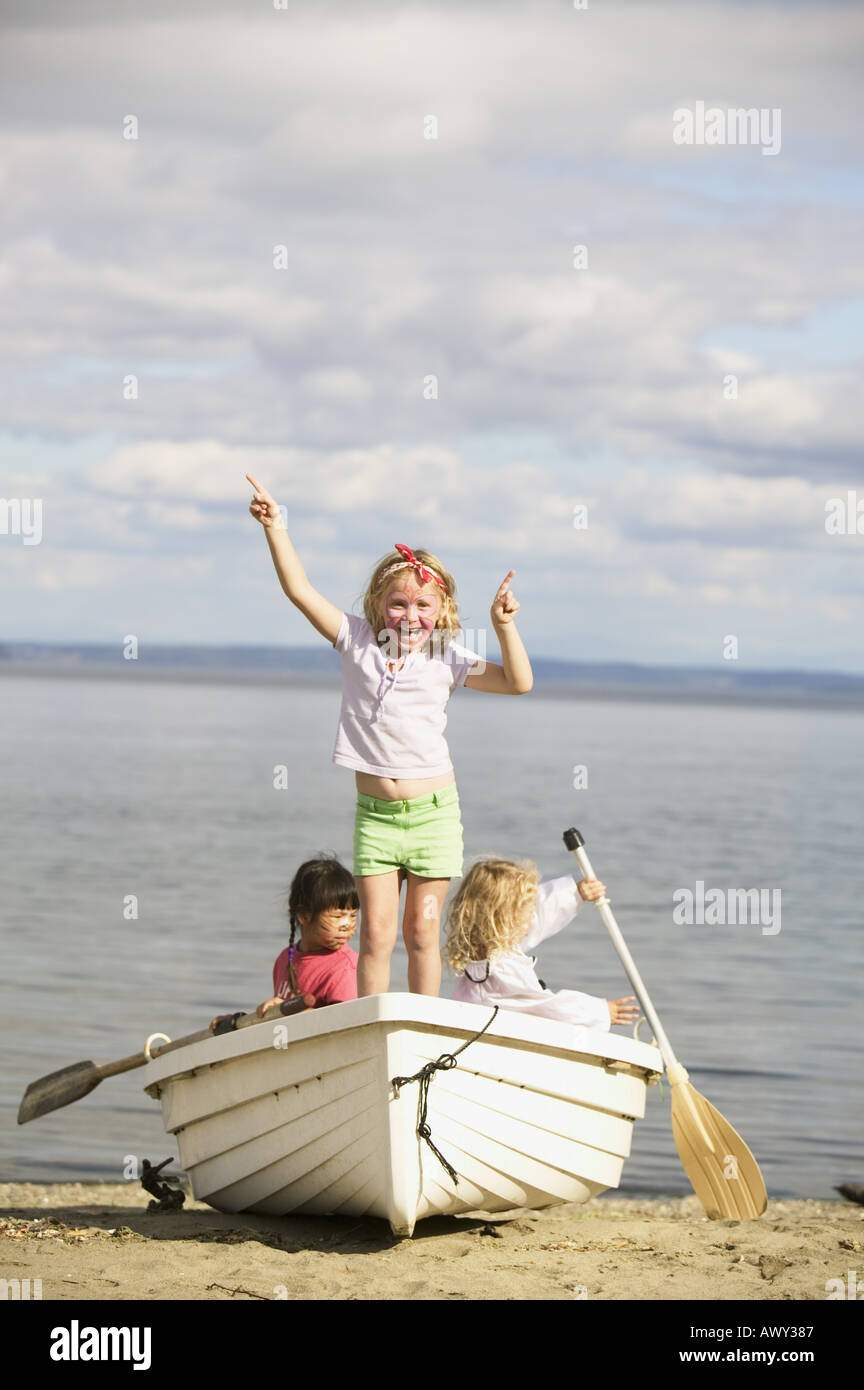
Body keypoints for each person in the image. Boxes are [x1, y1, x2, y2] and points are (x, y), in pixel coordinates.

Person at [246, 473, 533, 999]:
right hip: (376, 820)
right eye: (398, 603)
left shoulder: (448, 656)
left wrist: (503, 625)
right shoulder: (355, 641)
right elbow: (298, 589)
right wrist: (275, 525)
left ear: (441, 611)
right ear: (378, 603)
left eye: (424, 606)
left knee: (421, 931)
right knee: (376, 935)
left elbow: (518, 683)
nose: (410, 616)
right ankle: (371, 1026)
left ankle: (423, 1027)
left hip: (434, 815)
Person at [444, 857, 639, 1029]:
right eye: (527, 911)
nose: (532, 915)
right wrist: (601, 1012)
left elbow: (541, 916)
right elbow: (548, 1008)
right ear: (503, 919)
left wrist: (575, 894)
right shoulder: (503, 969)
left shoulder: (483, 949)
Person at [209, 856, 359, 1030]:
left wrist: (288, 1013)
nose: (347, 924)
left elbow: (346, 1026)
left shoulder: (345, 968)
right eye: (338, 916)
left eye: (353, 915)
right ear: (303, 915)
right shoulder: (285, 959)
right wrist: (238, 1024)